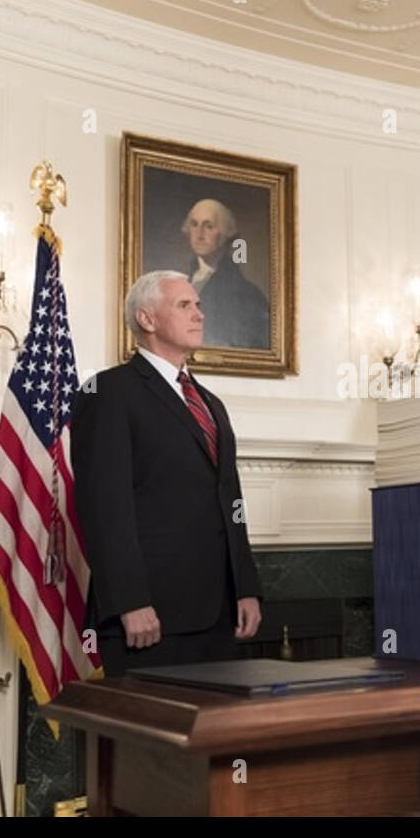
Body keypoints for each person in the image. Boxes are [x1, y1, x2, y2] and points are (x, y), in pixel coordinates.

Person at [72, 270, 262, 676]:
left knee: (217, 738)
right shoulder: (107, 393)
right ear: (147, 319)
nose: (199, 314)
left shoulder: (210, 402)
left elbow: (231, 501)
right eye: (184, 305)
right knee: (147, 740)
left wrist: (245, 587)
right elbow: (104, 507)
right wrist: (128, 601)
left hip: (220, 615)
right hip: (148, 619)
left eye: (199, 305)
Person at [180, 198, 269, 349]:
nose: (199, 233)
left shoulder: (248, 295)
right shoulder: (180, 283)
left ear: (225, 235)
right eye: (194, 224)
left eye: (209, 226)